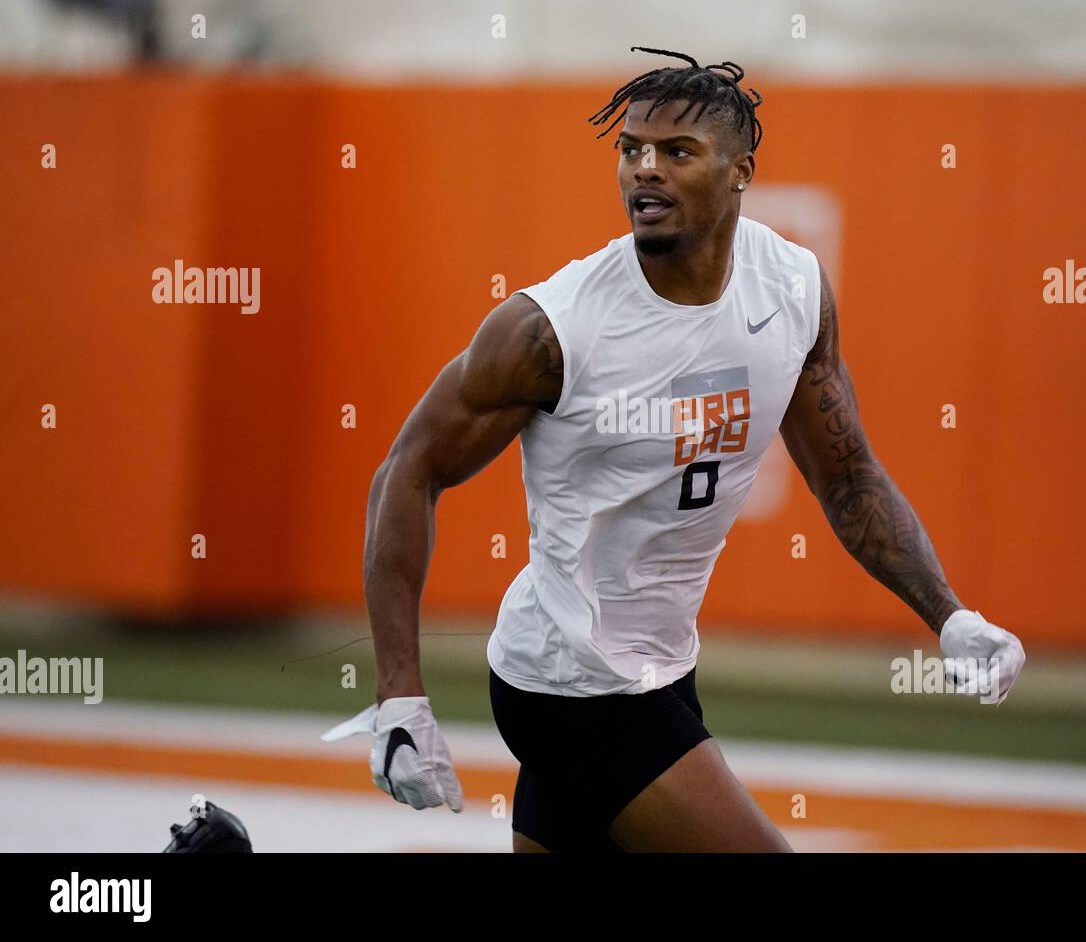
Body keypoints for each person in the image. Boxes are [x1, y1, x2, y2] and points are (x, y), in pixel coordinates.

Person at [327, 47, 1026, 852]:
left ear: (740, 172)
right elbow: (405, 472)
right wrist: (399, 695)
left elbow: (848, 478)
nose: (644, 170)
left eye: (677, 152)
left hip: (662, 668)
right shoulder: (553, 329)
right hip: (573, 683)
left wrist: (948, 615)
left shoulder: (792, 288)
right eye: (631, 150)